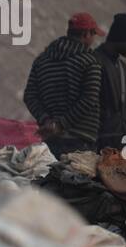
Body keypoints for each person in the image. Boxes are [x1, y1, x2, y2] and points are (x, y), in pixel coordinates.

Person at [22, 12, 104, 158]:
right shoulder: (90, 62)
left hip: (50, 140)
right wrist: (61, 124)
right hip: (80, 140)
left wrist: (46, 120)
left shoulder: (42, 61)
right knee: (77, 180)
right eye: (93, 35)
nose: (93, 40)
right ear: (86, 34)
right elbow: (89, 99)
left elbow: (30, 96)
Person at [94, 13, 126, 152]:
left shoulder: (122, 68)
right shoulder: (94, 62)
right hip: (100, 143)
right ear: (121, 38)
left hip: (123, 143)